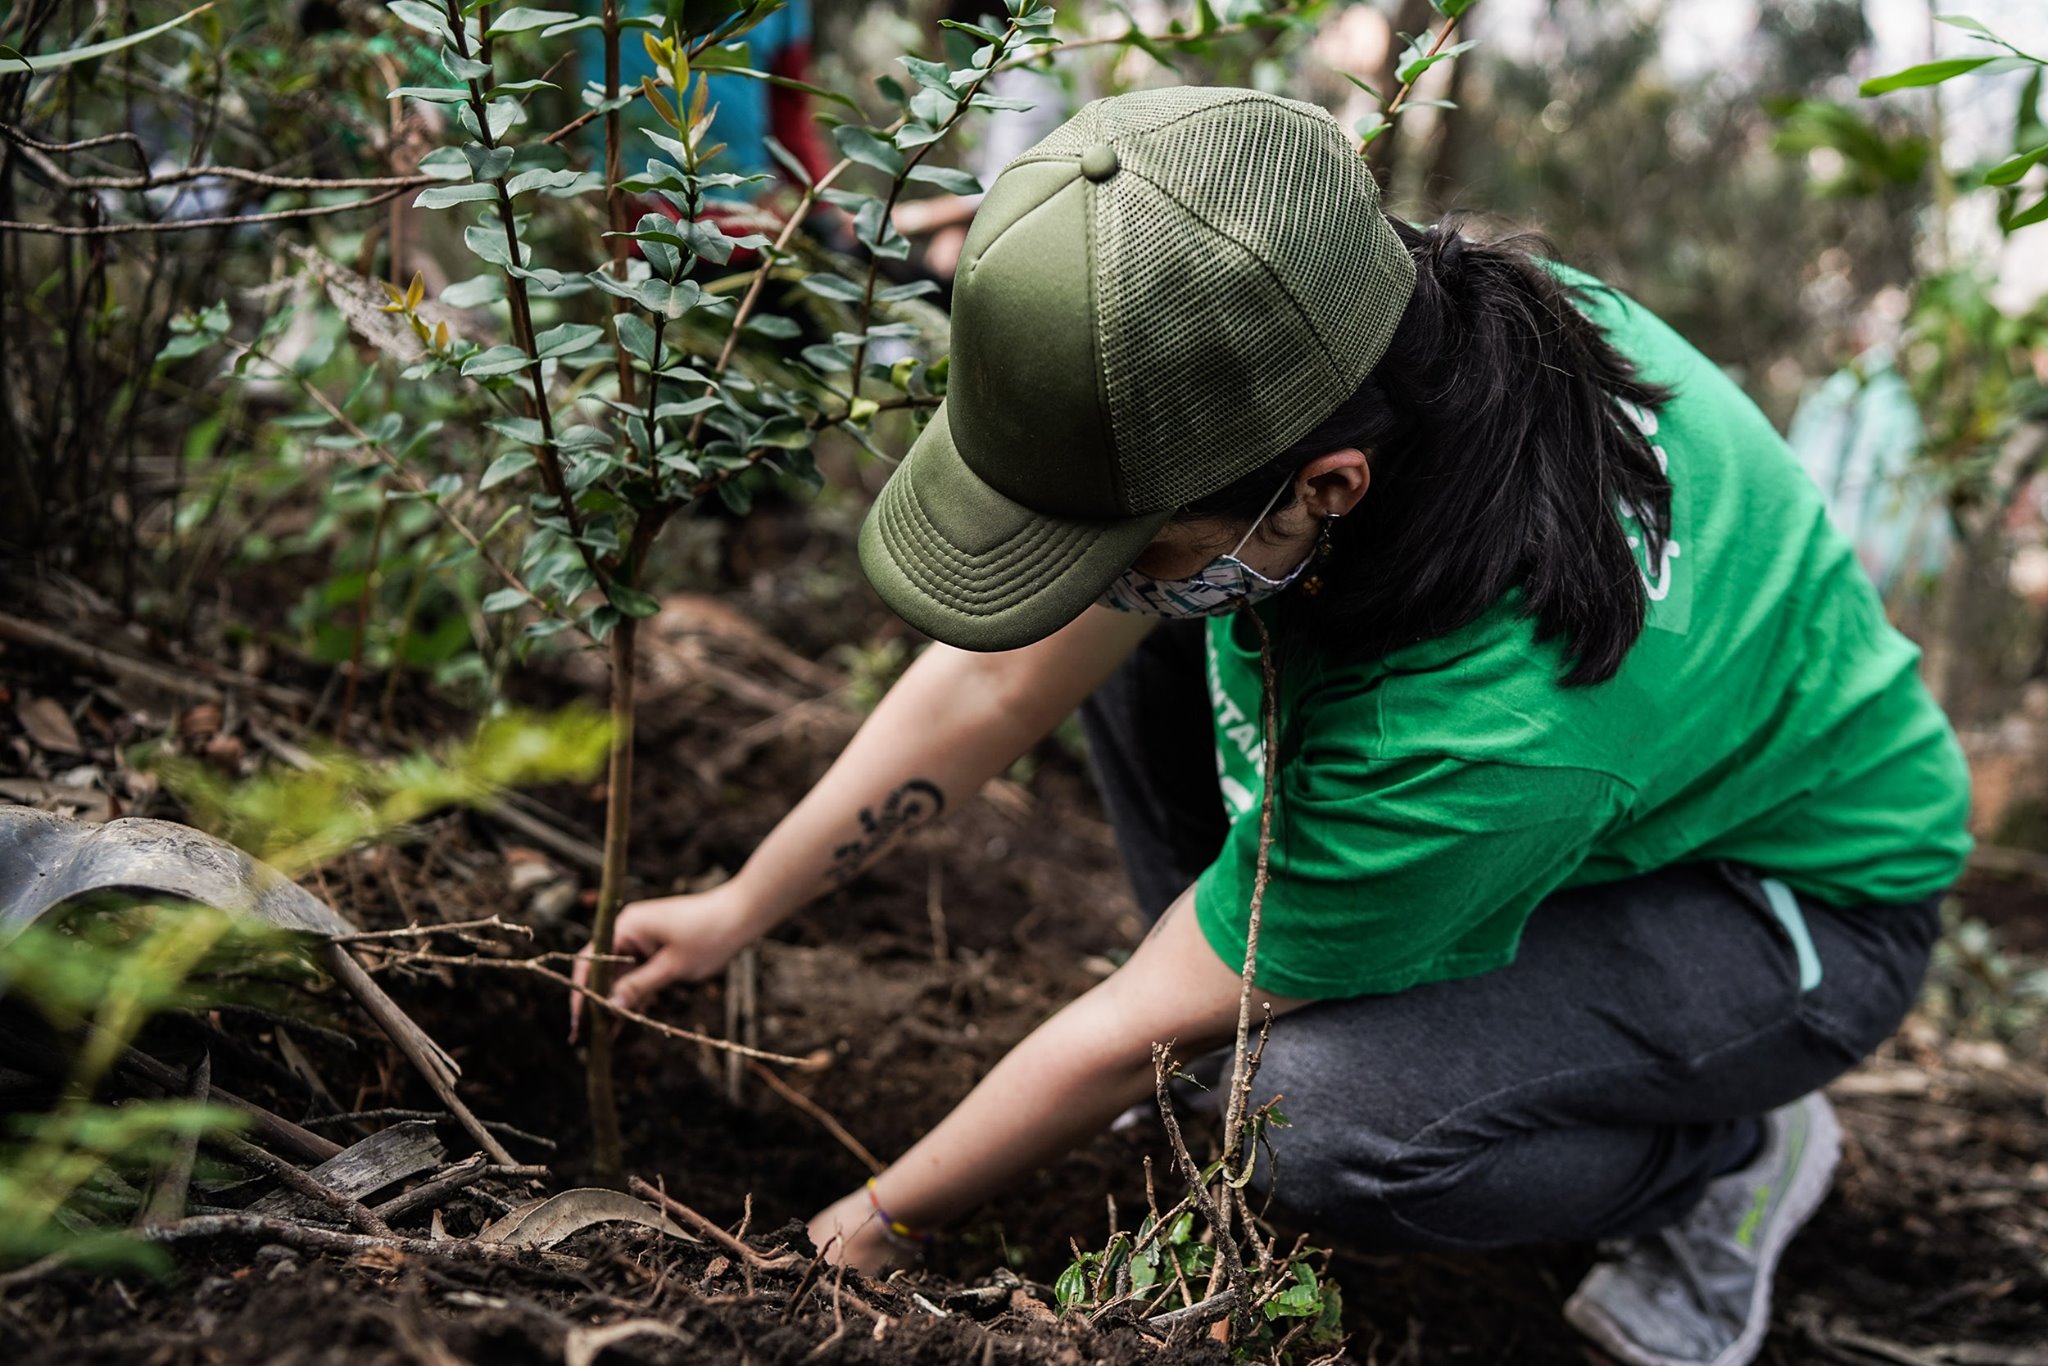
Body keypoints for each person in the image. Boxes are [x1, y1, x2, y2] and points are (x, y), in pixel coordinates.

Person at [583, 87, 1971, 1366]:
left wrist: (874, 1221)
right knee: (1142, 633)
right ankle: (1278, 983)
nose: (1103, 573)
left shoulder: (1481, 735)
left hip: (1789, 906)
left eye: (1136, 533)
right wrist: (737, 905)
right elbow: (1005, 674)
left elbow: (1129, 1027)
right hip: (1585, 794)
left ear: (1329, 483)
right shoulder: (1371, 327)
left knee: (1308, 1125)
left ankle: (1729, 1156)